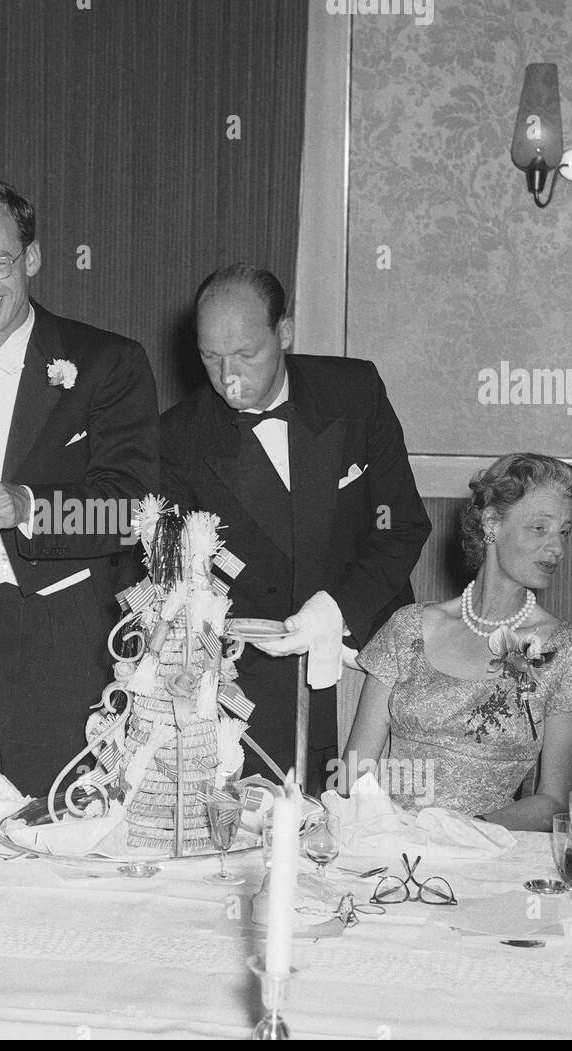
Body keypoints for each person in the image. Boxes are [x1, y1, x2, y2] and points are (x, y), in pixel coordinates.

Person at [0, 178, 159, 798]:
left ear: (34, 259)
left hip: (62, 636)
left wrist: (29, 507)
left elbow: (133, 512)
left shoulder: (107, 361)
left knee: (53, 828)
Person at [160, 265, 431, 793]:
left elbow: (402, 527)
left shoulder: (355, 391)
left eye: (245, 355)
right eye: (210, 358)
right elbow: (185, 589)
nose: (228, 376)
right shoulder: (177, 439)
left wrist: (336, 609)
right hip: (261, 690)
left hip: (369, 668)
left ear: (284, 333)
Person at [345, 454, 572, 830]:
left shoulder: (565, 652)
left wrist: (462, 830)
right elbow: (355, 771)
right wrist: (388, 832)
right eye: (540, 529)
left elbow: (554, 801)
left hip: (486, 850)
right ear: (492, 523)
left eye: (564, 531)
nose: (557, 549)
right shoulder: (409, 627)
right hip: (385, 841)